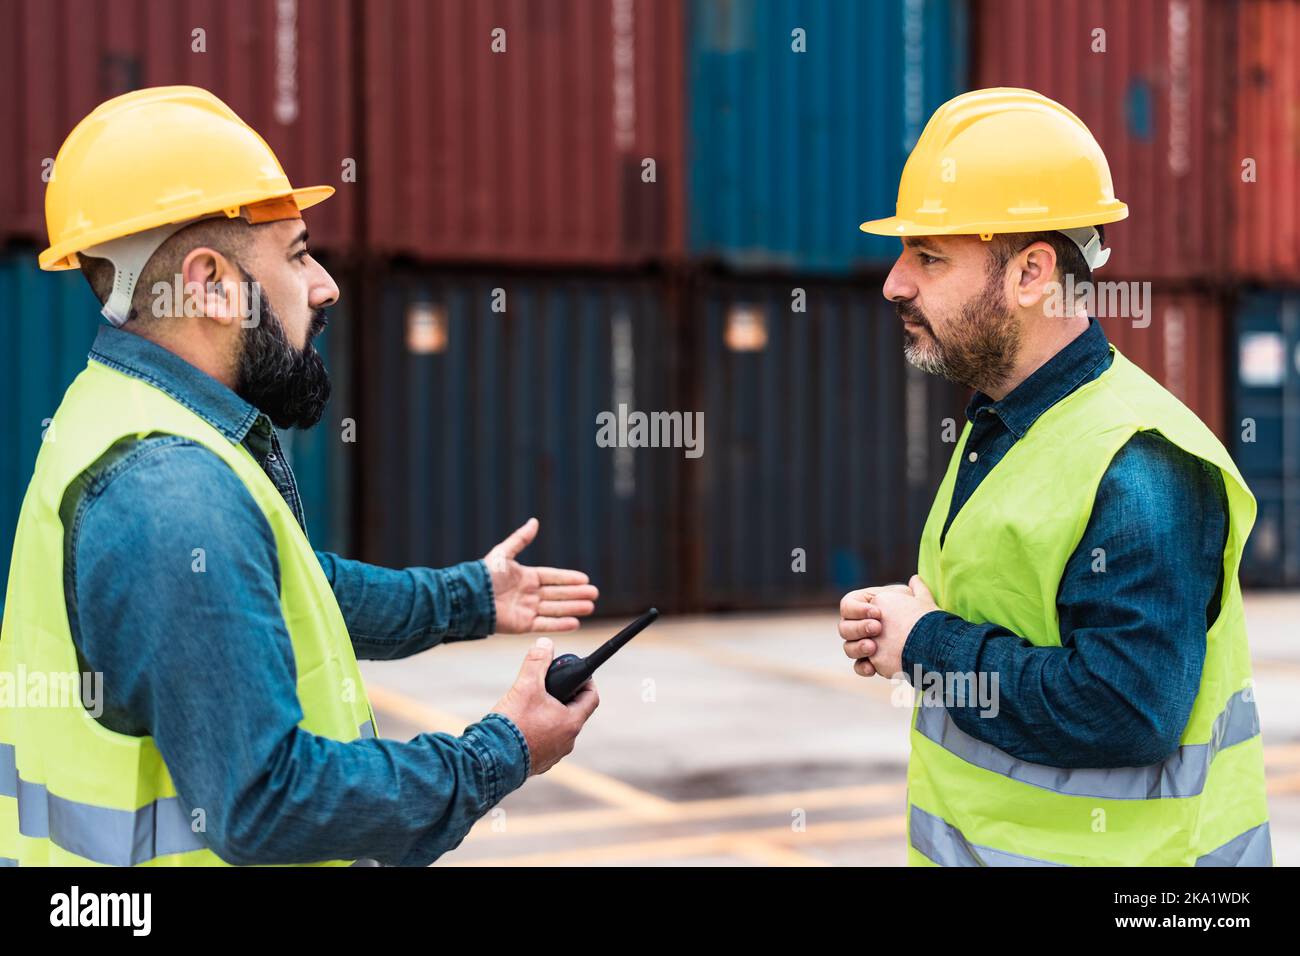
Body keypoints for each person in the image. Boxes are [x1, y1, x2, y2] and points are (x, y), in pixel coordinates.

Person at [0, 86, 600, 867]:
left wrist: (470, 597)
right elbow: (265, 802)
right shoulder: (170, 489)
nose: (326, 285)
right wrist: (501, 751)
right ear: (210, 284)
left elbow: (284, 589)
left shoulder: (117, 412)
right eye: (297, 253)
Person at [840, 87, 1271, 866]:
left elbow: (1125, 706)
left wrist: (928, 645)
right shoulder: (1006, 421)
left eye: (929, 256)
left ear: (1033, 271)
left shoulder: (1141, 461)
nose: (894, 282)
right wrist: (908, 627)